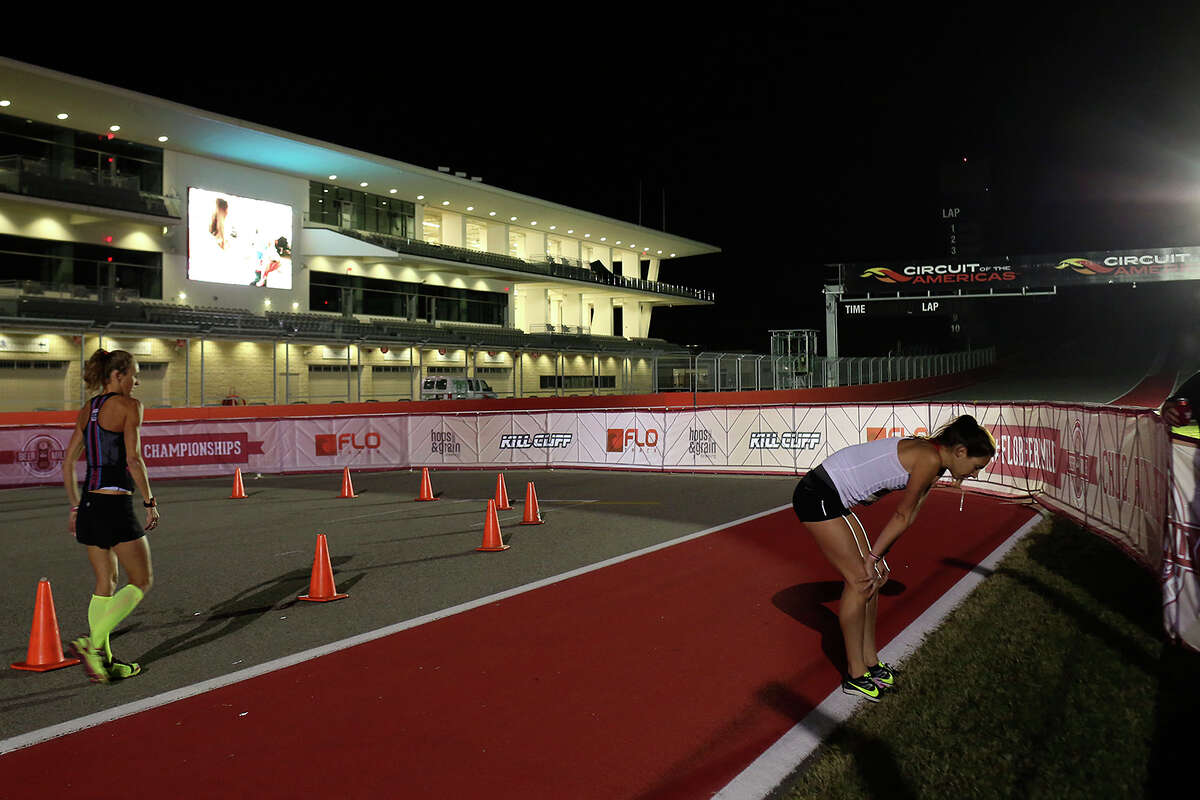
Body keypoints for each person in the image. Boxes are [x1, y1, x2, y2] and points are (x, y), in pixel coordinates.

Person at [791, 414, 995, 702]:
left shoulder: (934, 461)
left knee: (872, 577)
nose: (975, 474)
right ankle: (855, 673)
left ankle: (871, 662)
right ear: (960, 451)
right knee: (860, 579)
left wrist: (877, 557)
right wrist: (873, 555)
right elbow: (902, 514)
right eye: (976, 467)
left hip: (832, 495)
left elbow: (907, 516)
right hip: (817, 494)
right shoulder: (929, 459)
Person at [62, 348, 160, 683]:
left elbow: (67, 462)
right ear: (117, 375)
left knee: (106, 583)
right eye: (134, 374)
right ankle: (92, 644)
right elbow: (133, 460)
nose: (137, 381)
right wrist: (149, 500)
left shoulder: (87, 409)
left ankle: (104, 661)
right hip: (115, 505)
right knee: (141, 580)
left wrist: (75, 505)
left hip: (89, 505)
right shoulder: (130, 407)